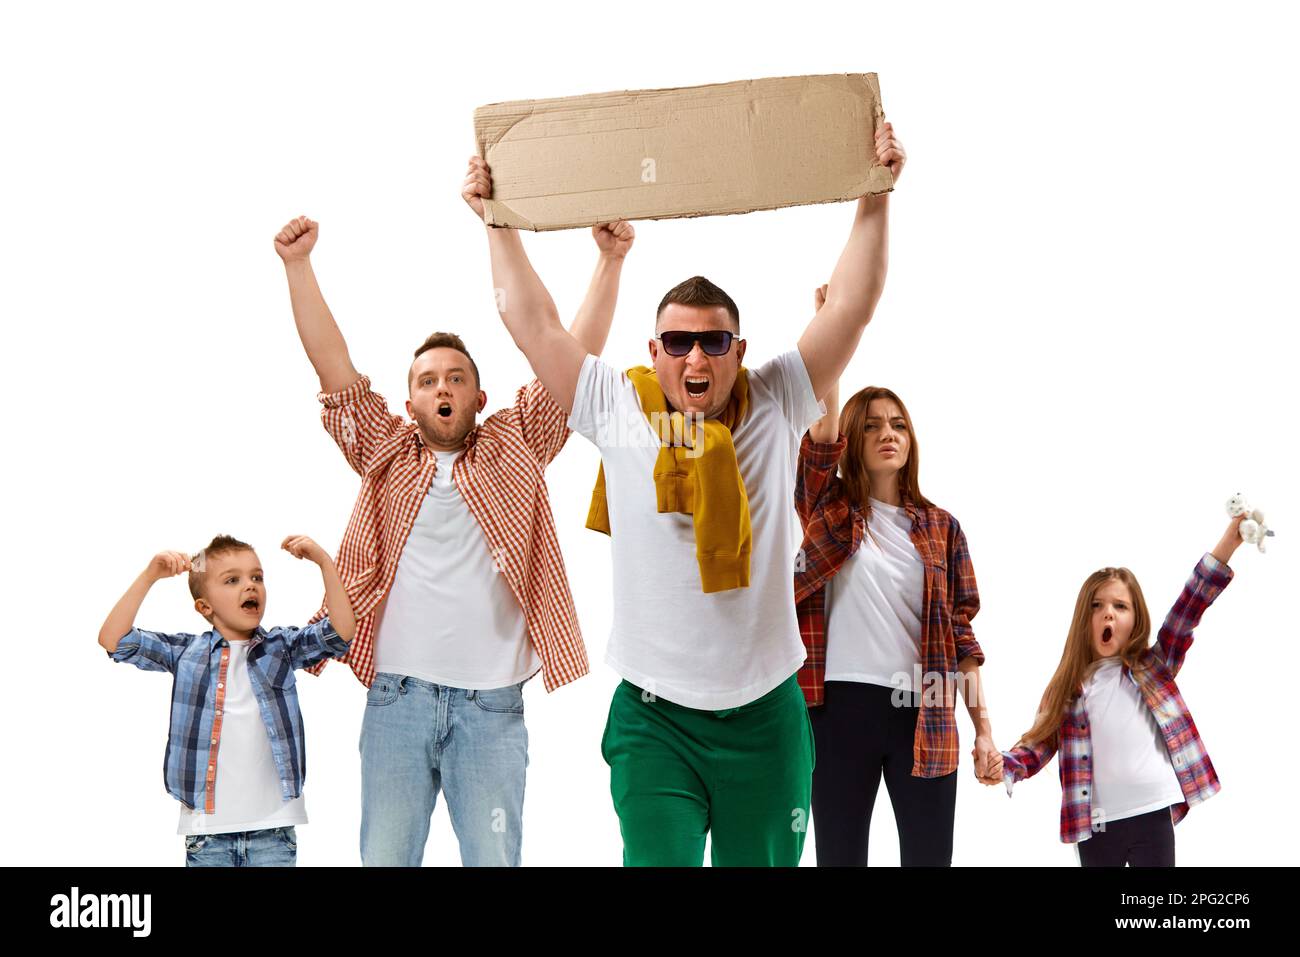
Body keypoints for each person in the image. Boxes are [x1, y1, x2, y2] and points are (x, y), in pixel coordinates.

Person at [462, 120, 905, 865]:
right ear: (654, 352)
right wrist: (495, 219)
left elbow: (851, 307)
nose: (694, 356)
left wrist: (876, 193)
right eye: (677, 342)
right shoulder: (615, 405)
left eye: (712, 341)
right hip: (655, 722)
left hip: (766, 721)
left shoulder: (776, 401)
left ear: (739, 351)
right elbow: (529, 319)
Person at [273, 213, 633, 866]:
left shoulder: (515, 442)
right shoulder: (385, 451)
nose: (442, 386)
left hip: (490, 709)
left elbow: (572, 363)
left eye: (455, 377)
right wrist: (299, 267)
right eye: (427, 380)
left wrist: (609, 261)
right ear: (409, 402)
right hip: (396, 701)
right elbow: (334, 368)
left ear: (479, 394)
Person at [794, 283, 1000, 866]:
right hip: (838, 707)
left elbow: (962, 637)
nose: (888, 434)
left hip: (925, 709)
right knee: (840, 858)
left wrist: (983, 727)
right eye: (873, 426)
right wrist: (832, 328)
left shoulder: (942, 528)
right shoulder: (827, 509)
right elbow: (820, 436)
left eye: (899, 425)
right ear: (854, 439)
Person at [1000, 515, 1247, 866]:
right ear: (1083, 621)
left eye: (1120, 606)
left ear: (1136, 620)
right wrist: (1005, 766)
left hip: (1153, 814)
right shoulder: (1067, 689)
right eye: (1097, 606)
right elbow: (1037, 744)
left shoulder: (1154, 668)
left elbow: (1188, 609)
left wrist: (1229, 543)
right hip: (1097, 825)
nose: (1108, 615)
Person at [99, 533, 355, 866]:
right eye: (232, 580)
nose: (250, 586)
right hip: (207, 835)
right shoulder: (185, 652)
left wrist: (324, 562)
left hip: (274, 832)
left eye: (257, 577)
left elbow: (341, 632)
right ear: (205, 606)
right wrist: (150, 575)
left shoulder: (282, 647)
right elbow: (113, 640)